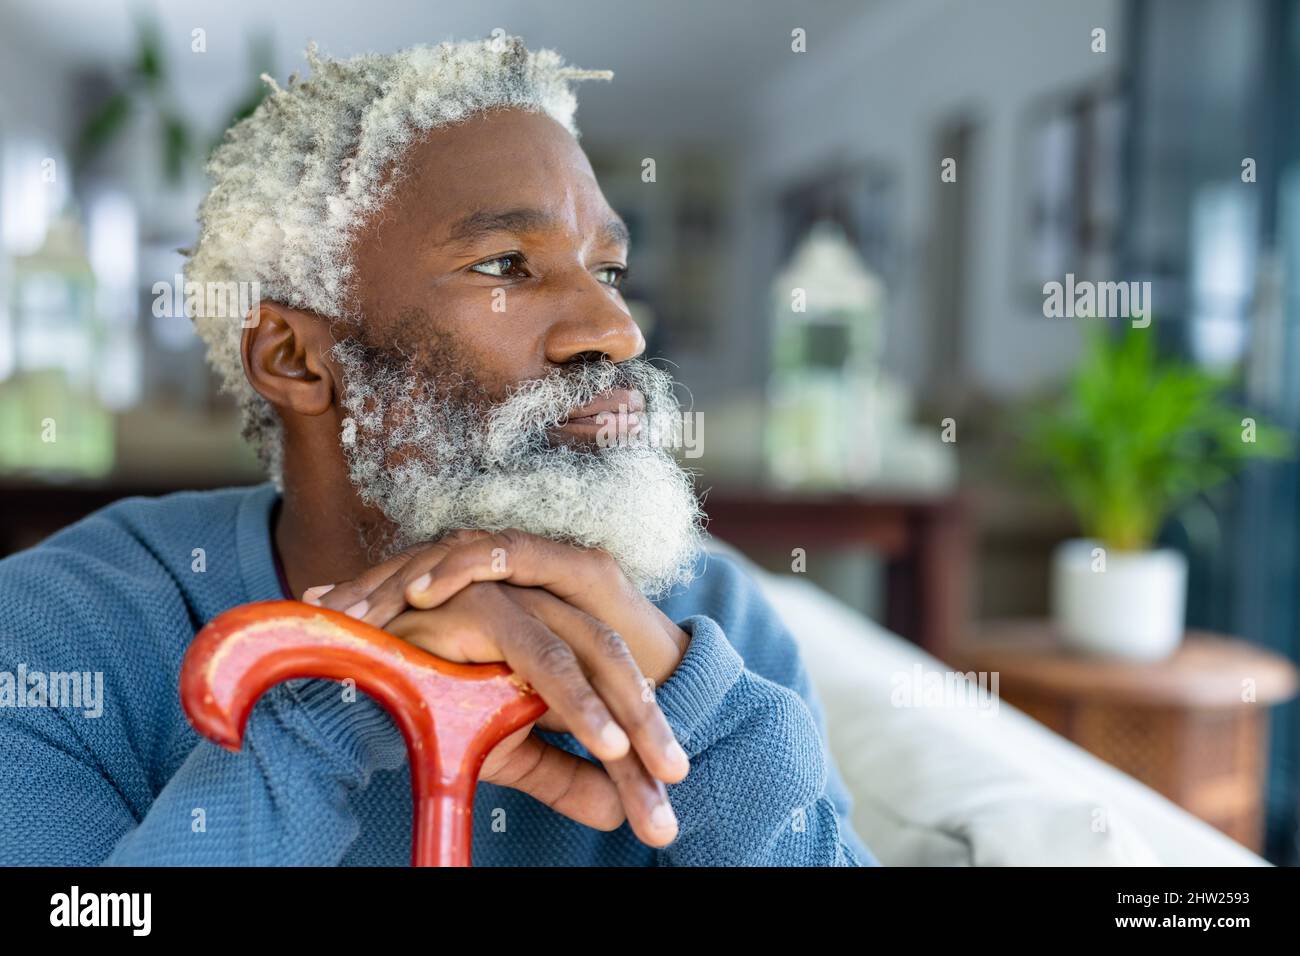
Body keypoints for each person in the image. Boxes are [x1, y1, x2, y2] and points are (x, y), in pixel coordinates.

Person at [0, 35, 876, 866]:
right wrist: (338, 705)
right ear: (296, 358)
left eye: (607, 270)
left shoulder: (706, 617)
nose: (617, 330)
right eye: (504, 265)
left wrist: (697, 712)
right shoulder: (59, 633)